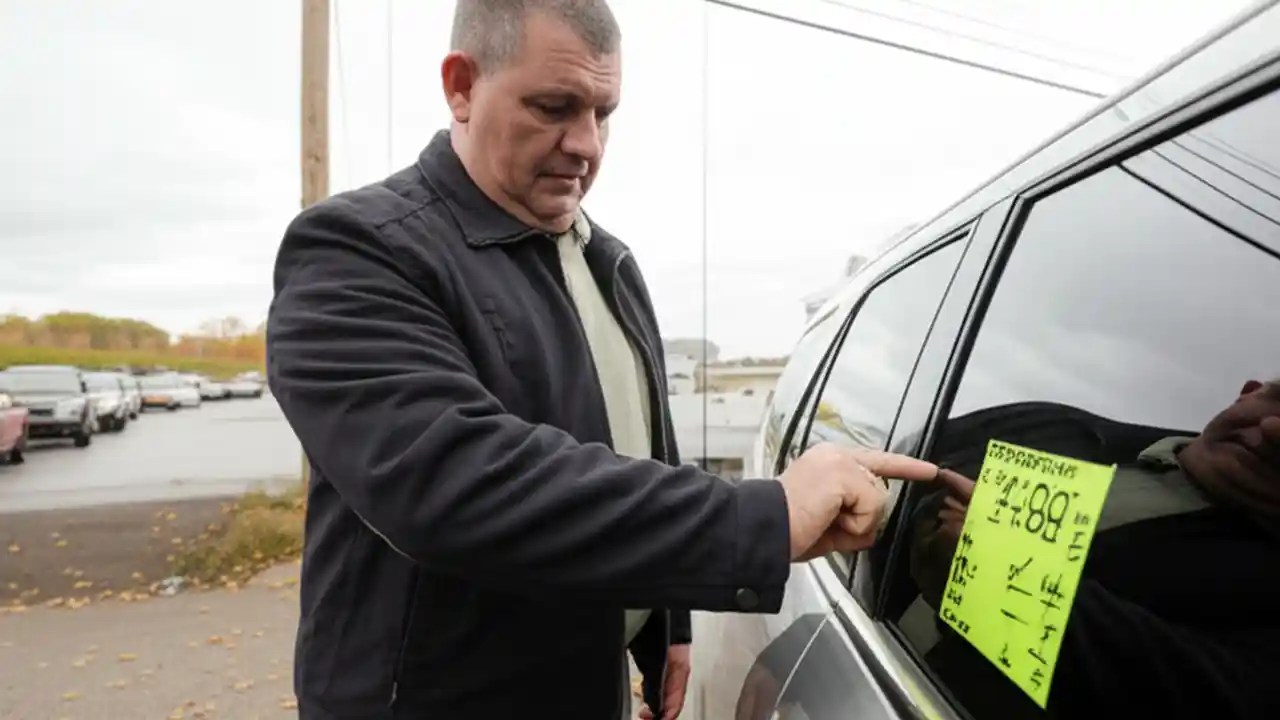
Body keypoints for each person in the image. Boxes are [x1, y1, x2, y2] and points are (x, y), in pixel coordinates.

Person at [266, 1, 937, 717]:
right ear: (461, 86)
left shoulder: (606, 260)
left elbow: (643, 447)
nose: (585, 144)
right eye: (555, 106)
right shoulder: (358, 251)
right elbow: (449, 480)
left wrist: (669, 622)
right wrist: (763, 520)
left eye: (603, 112)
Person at [910, 377, 1280, 718]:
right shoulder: (1052, 427)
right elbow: (901, 470)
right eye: (1276, 402)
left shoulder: (1261, 590)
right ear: (1247, 391)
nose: (1273, 429)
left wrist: (1002, 580)